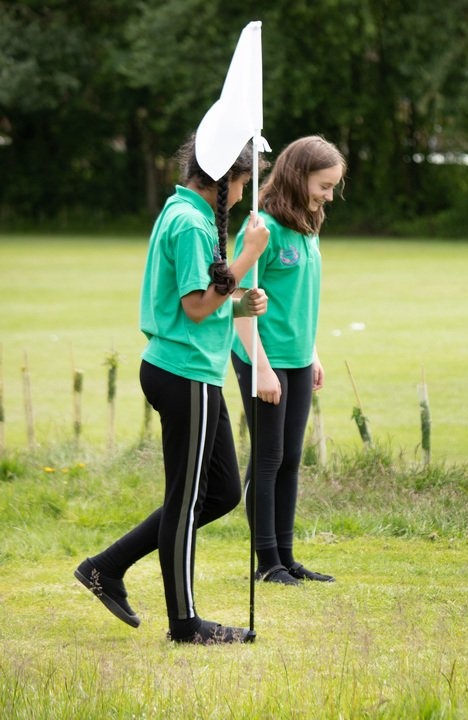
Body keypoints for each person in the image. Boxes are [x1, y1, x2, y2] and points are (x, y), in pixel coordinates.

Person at [75, 135, 270, 643]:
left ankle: (106, 567)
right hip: (183, 372)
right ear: (223, 180)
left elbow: (208, 301)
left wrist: (238, 305)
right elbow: (195, 308)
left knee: (222, 492)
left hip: (194, 371)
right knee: (185, 502)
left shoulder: (192, 215)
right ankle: (185, 625)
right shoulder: (188, 223)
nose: (241, 193)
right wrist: (249, 256)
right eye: (242, 183)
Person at [231, 136, 346, 586]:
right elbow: (239, 298)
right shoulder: (263, 228)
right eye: (324, 185)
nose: (329, 196)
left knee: (292, 458)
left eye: (334, 187)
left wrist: (312, 352)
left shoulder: (307, 222)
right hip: (263, 355)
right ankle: (267, 563)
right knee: (268, 458)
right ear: (299, 177)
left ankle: (287, 556)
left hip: (297, 357)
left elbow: (298, 297)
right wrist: (260, 365)